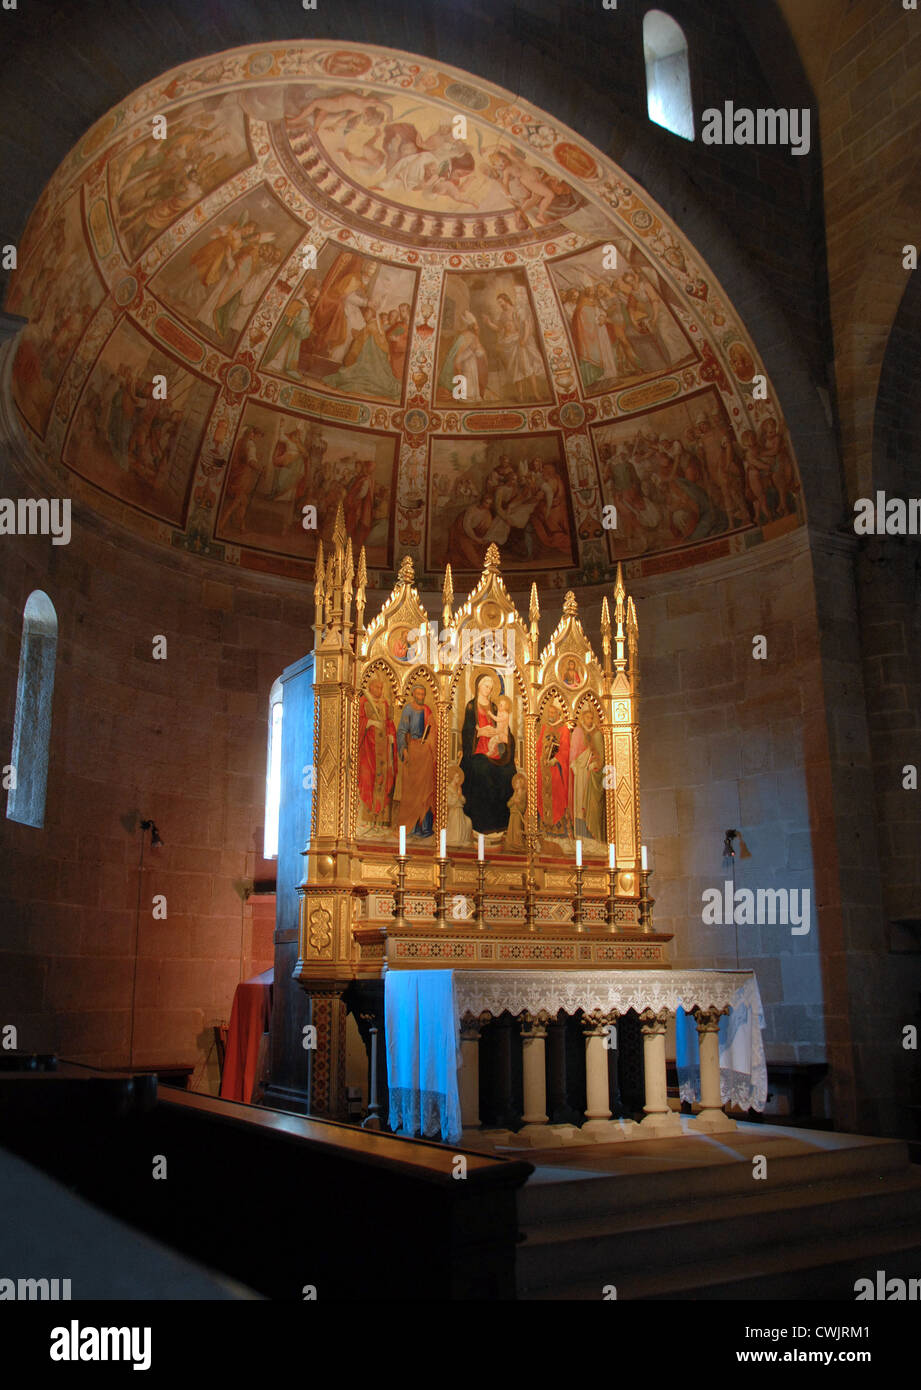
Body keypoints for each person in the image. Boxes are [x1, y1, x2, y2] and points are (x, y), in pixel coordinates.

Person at [460, 672, 517, 834]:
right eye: (486, 686)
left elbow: (505, 729)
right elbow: (467, 732)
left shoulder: (494, 707)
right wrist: (480, 734)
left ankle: (501, 824)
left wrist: (506, 739)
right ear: (478, 686)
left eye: (491, 688)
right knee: (482, 770)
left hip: (495, 750)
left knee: (508, 772)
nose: (489, 690)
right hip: (477, 750)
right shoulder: (471, 706)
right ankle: (482, 824)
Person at [396, 684, 437, 838]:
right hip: (413, 751)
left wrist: (429, 740)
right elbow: (401, 731)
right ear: (413, 695)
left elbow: (433, 730)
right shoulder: (408, 709)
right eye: (418, 694)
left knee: (426, 789)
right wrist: (404, 750)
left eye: (423, 694)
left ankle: (425, 826)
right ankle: (413, 827)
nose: (420, 697)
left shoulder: (427, 710)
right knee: (412, 790)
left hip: (425, 752)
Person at [357, 674, 397, 828]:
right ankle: (366, 820)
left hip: (383, 750)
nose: (379, 690)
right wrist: (370, 722)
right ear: (370, 687)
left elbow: (389, 723)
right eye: (376, 687)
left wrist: (391, 735)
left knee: (383, 780)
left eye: (381, 687)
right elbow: (357, 721)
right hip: (368, 749)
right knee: (368, 779)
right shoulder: (363, 701)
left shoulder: (385, 703)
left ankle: (380, 820)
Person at [569, 705, 605, 842]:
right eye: (587, 717)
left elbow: (600, 754)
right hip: (580, 770)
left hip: (590, 771)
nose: (590, 720)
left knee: (587, 801)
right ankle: (580, 834)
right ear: (582, 717)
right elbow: (573, 751)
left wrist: (595, 763)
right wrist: (574, 765)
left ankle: (589, 834)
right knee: (579, 801)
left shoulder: (596, 733)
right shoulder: (578, 731)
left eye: (592, 717)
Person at [537, 701, 570, 835]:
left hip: (555, 769)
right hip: (543, 767)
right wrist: (539, 758)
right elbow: (539, 744)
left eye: (552, 712)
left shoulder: (564, 729)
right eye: (549, 712)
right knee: (541, 793)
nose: (550, 715)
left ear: (559, 714)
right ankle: (544, 826)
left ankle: (557, 827)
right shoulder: (545, 727)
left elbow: (566, 749)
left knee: (556, 796)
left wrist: (555, 759)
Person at [445, 765, 473, 848]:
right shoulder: (448, 788)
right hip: (453, 811)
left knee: (468, 821)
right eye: (457, 777)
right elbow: (450, 802)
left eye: (459, 777)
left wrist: (460, 795)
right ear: (452, 777)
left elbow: (463, 801)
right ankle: (456, 840)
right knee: (458, 820)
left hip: (459, 810)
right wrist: (457, 795)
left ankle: (463, 839)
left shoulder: (458, 788)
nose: (458, 779)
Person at [504, 773, 528, 852]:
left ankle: (518, 845)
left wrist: (517, 803)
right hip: (512, 815)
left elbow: (523, 808)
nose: (516, 784)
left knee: (517, 830)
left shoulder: (523, 794)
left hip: (518, 815)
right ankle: (511, 844)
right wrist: (514, 801)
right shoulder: (515, 794)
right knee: (511, 830)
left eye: (517, 783)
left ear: (521, 784)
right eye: (515, 783)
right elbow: (508, 804)